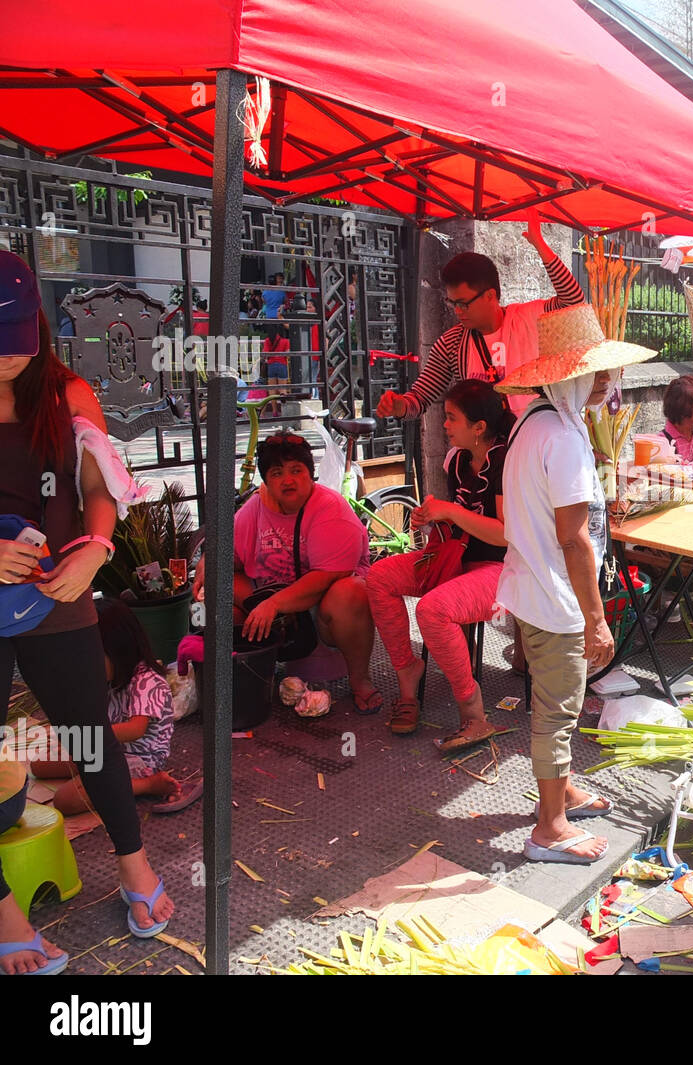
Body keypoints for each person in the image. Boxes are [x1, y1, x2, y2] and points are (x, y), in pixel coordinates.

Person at [0, 251, 174, 973]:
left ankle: (133, 866)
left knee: (89, 734)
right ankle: (3, 910)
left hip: (57, 588)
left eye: (18, 338)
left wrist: (98, 548)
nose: (8, 357)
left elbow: (99, 484)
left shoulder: (65, 388)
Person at [494, 303, 657, 864]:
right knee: (558, 714)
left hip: (528, 587)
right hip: (554, 596)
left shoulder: (535, 422)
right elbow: (573, 538)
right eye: (599, 374)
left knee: (550, 700)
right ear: (575, 376)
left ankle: (559, 793)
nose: (607, 384)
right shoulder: (561, 438)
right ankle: (550, 828)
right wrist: (596, 617)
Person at [366, 379, 513, 741]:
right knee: (379, 576)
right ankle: (407, 673)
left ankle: (473, 711)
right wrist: (434, 517)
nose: (443, 425)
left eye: (451, 418)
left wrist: (448, 510)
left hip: (502, 569)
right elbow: (458, 521)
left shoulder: (506, 461)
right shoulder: (460, 460)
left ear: (478, 428)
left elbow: (504, 533)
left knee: (431, 610)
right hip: (456, 557)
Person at [376, 214, 583, 420]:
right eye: (453, 303)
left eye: (464, 303)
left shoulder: (528, 318)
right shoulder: (451, 343)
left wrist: (540, 245)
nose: (458, 311)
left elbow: (572, 300)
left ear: (490, 295)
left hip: (533, 440)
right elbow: (421, 397)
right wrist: (400, 406)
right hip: (486, 450)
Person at [232, 433, 379, 713]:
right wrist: (205, 567)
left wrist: (273, 604)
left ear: (310, 475)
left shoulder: (330, 508)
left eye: (296, 471)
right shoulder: (254, 508)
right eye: (277, 473)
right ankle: (250, 676)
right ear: (266, 482)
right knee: (220, 587)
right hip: (272, 603)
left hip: (322, 608)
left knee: (350, 592)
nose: (288, 480)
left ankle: (360, 680)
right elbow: (228, 558)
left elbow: (326, 576)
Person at [31, 597, 195, 813]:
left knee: (66, 799)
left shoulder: (147, 681)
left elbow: (135, 729)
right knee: (39, 765)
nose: (87, 664)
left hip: (139, 760)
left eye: (93, 656)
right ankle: (95, 774)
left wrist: (91, 733)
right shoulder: (110, 679)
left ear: (118, 648)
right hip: (109, 749)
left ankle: (147, 785)